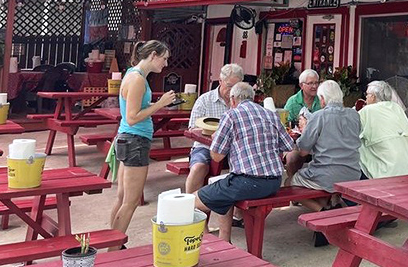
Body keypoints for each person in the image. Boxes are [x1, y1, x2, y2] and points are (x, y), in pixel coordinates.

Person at [195, 82, 294, 243]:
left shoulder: (231, 115)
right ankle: (224, 240)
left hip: (248, 182)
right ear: (253, 98)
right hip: (274, 182)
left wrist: (216, 139)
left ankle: (207, 238)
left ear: (233, 100)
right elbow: (289, 146)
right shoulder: (271, 114)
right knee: (224, 186)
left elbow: (216, 156)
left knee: (192, 202)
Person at [110, 40, 177, 239]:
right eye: (164, 59)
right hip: (135, 140)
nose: (165, 64)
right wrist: (161, 104)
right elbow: (132, 117)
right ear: (153, 55)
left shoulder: (133, 74)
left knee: (122, 197)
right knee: (131, 201)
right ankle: (113, 249)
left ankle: (112, 241)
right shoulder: (138, 79)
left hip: (128, 139)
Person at [285, 80, 361, 212]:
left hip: (326, 175)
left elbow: (303, 152)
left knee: (288, 183)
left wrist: (305, 131)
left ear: (322, 99)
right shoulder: (354, 115)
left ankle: (322, 210)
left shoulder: (319, 116)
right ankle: (332, 207)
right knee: (325, 186)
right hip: (353, 173)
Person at [185, 63, 244, 195]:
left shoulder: (243, 102)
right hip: (206, 147)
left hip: (236, 149)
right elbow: (193, 129)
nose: (232, 90)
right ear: (220, 81)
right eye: (229, 86)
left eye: (236, 86)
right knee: (198, 168)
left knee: (250, 169)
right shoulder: (205, 100)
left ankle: (239, 213)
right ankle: (189, 208)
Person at [358, 81, 408, 179]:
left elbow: (350, 132)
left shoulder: (367, 111)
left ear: (373, 96)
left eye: (367, 95)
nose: (366, 98)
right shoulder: (398, 109)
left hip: (385, 169)